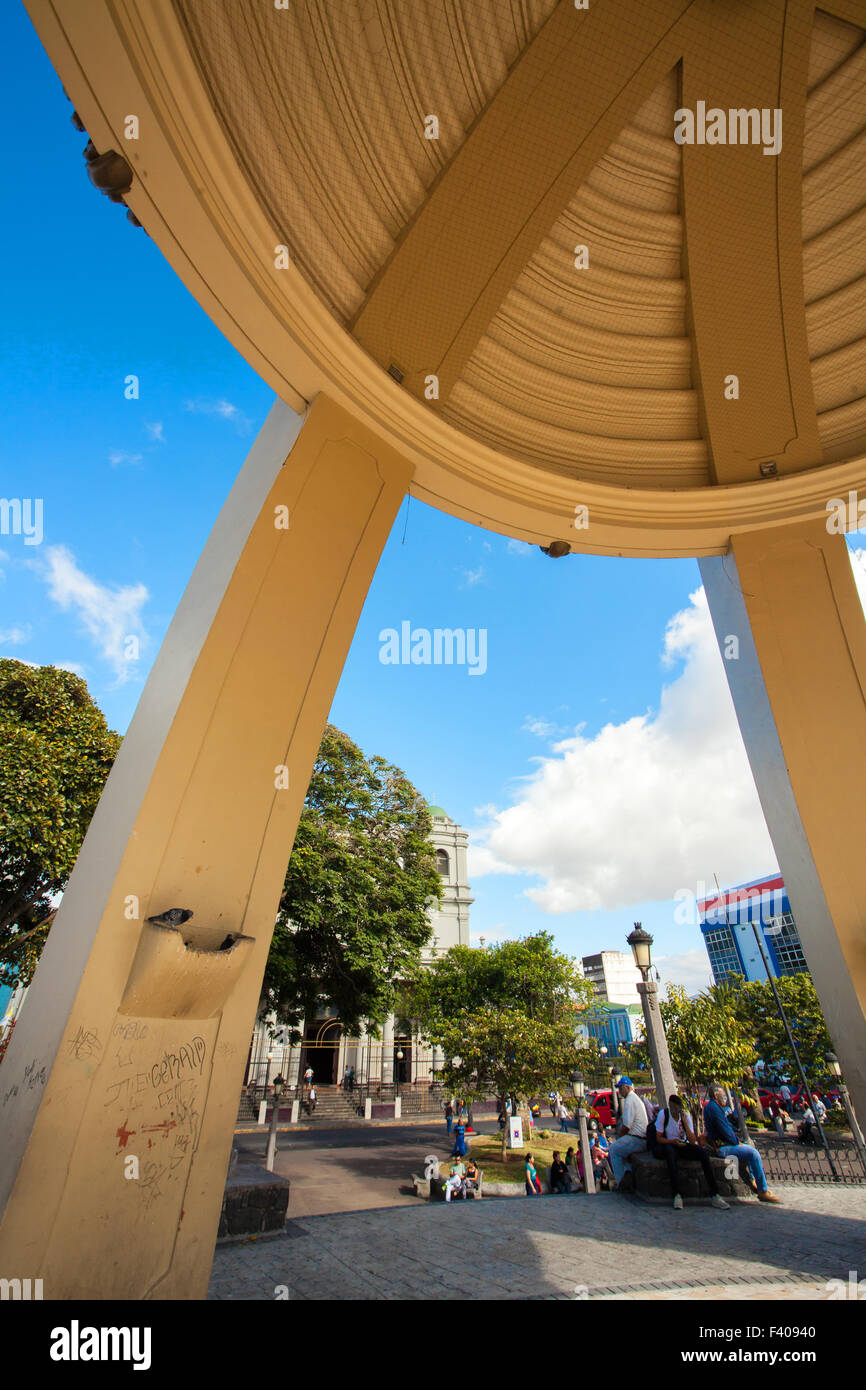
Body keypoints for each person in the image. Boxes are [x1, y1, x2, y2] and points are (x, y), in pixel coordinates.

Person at [704, 1083, 781, 1204]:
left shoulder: (714, 1107)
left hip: (724, 1144)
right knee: (753, 1153)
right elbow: (724, 1130)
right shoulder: (714, 1108)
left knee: (749, 1148)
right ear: (715, 1095)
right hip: (722, 1147)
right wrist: (736, 1142)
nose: (724, 1096)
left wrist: (735, 1134)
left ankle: (753, 1179)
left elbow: (727, 1127)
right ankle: (763, 1190)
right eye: (722, 1094)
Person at [655, 1093, 729, 1211]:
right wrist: (672, 1141)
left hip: (684, 1145)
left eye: (677, 1108)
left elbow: (693, 1140)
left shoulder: (686, 1116)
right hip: (670, 1144)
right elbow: (658, 1138)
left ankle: (715, 1194)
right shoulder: (663, 1115)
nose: (675, 1111)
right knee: (671, 1156)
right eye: (673, 1108)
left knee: (703, 1154)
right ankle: (677, 1194)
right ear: (670, 1106)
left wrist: (684, 1122)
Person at [608, 1077, 648, 1188]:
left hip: (636, 1138)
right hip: (640, 1139)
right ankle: (628, 1175)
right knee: (622, 1153)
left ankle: (620, 1182)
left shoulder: (630, 1100)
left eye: (621, 1088)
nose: (619, 1091)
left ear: (627, 1087)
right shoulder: (634, 1099)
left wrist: (619, 1138)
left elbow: (626, 1126)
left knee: (614, 1150)